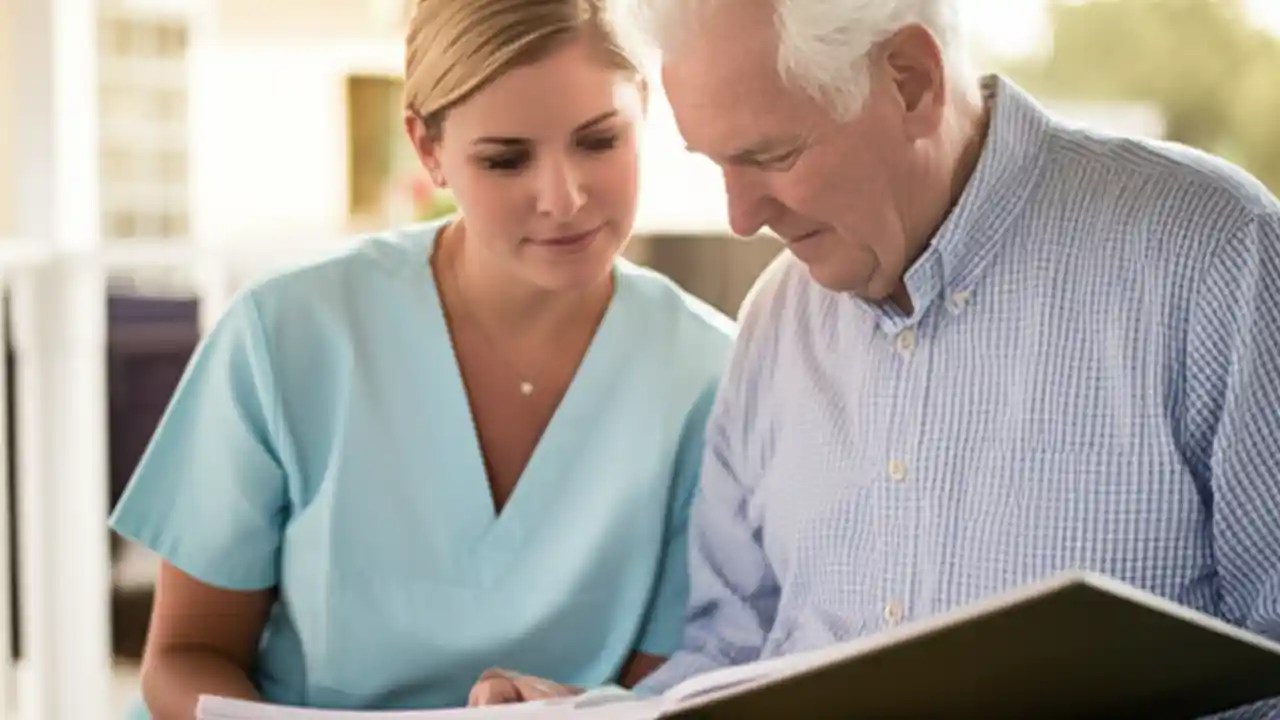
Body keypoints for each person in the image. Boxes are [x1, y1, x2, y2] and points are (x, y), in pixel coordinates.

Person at [469, 0, 1280, 714]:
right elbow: (729, 660)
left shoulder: (1214, 258)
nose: (741, 215)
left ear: (910, 82)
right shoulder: (775, 322)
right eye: (718, 164)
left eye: (771, 155)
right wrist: (586, 715)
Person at [107, 0, 735, 716]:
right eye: (505, 159)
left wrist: (569, 703)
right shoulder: (286, 334)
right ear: (428, 149)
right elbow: (186, 656)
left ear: (644, 110)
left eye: (599, 142)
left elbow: (668, 686)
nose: (563, 198)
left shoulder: (708, 375)